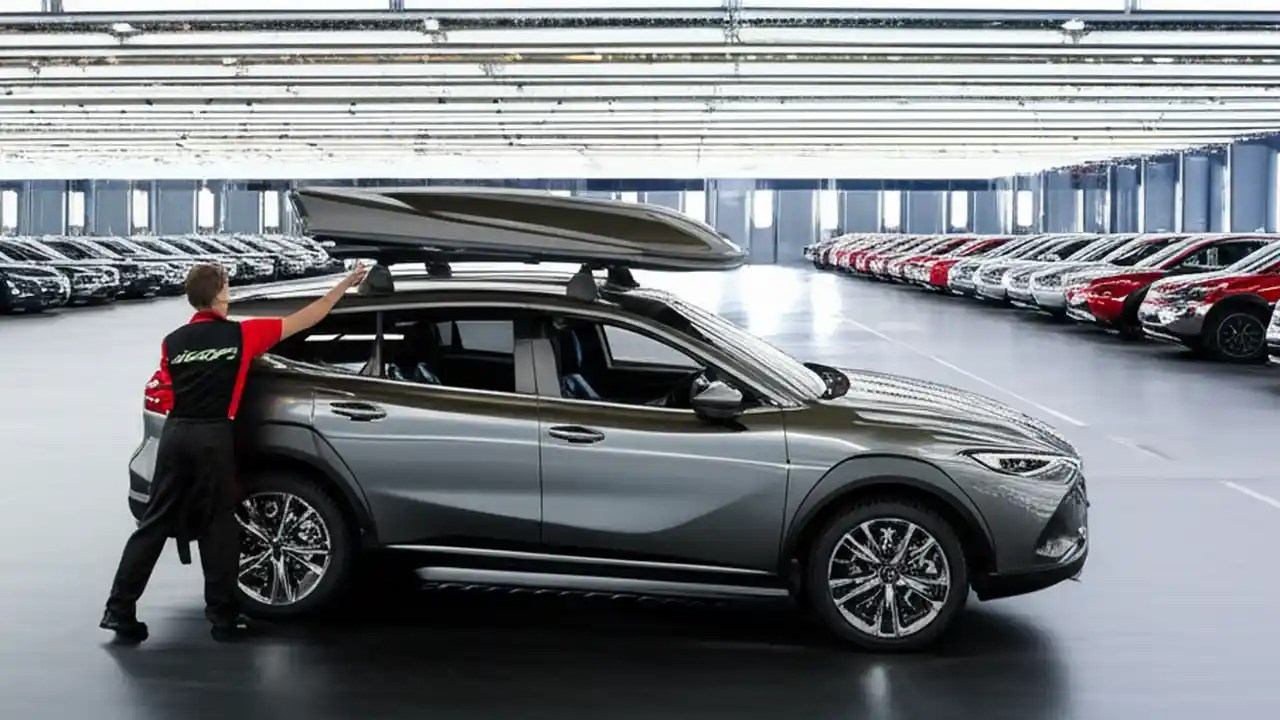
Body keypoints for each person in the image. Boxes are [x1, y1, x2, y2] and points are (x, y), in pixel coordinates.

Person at [100, 260, 368, 643]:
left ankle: (118, 609)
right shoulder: (243, 335)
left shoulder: (172, 341)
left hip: (176, 435)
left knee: (153, 525)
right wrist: (344, 285)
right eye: (227, 285)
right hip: (213, 437)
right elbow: (308, 318)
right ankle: (223, 619)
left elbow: (169, 388)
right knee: (218, 525)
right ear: (222, 293)